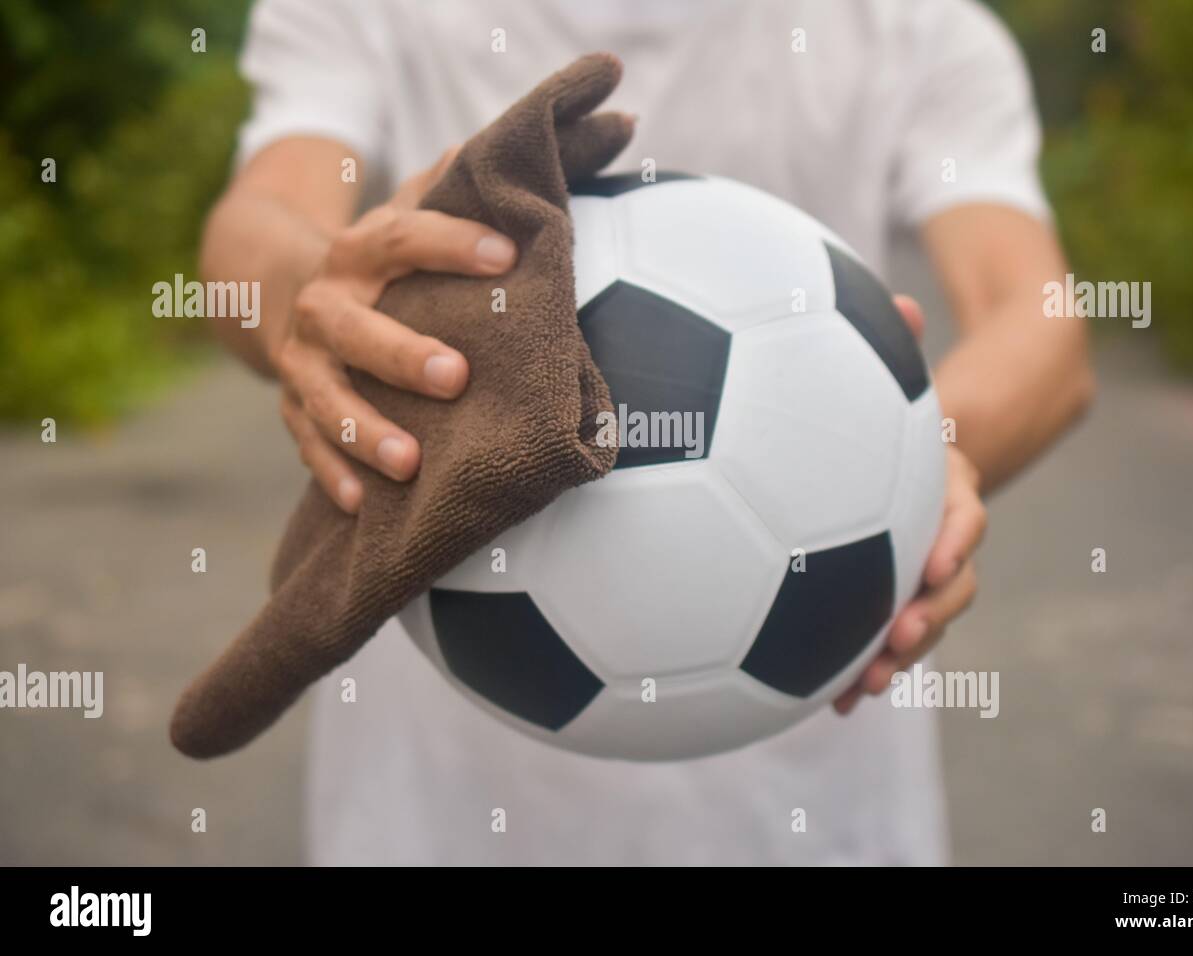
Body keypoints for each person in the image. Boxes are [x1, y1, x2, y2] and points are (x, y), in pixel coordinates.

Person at [200, 0, 1093, 864]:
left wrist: (922, 456)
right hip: (439, 809)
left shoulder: (915, 27)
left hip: (814, 818)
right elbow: (261, 218)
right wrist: (314, 291)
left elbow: (1041, 322)